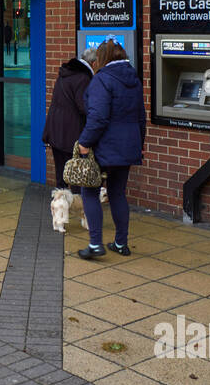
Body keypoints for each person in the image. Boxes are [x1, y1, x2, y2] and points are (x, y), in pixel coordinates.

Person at [75, 40, 146, 260]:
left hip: (104, 145)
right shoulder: (134, 80)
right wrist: (139, 144)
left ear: (102, 59)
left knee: (90, 191)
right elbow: (141, 118)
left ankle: (95, 244)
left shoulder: (101, 80)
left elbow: (97, 117)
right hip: (127, 146)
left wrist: (84, 143)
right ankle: (121, 243)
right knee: (117, 193)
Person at [41, 47, 97, 193]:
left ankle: (60, 209)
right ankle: (78, 207)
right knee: (76, 175)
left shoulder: (65, 74)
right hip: (71, 133)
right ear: (93, 63)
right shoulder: (83, 78)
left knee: (62, 175)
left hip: (55, 130)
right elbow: (83, 107)